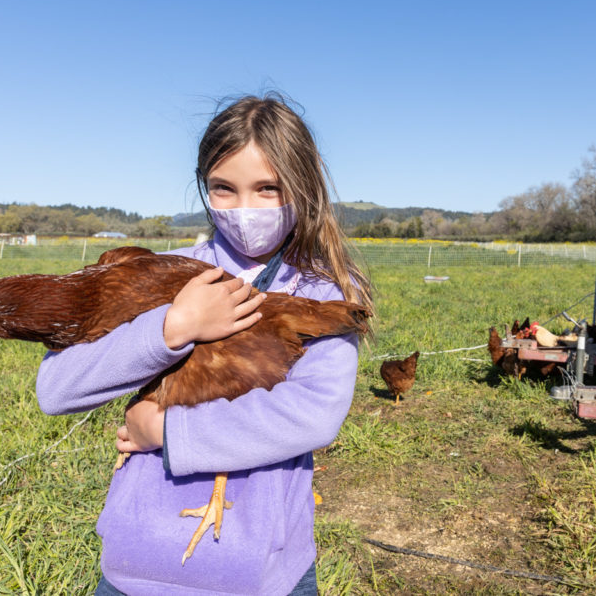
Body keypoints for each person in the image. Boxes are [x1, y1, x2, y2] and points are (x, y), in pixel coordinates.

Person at [35, 93, 373, 595]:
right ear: (203, 187)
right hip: (139, 560)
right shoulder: (155, 272)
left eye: (267, 189)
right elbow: (56, 389)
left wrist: (166, 432)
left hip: (260, 570)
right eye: (223, 188)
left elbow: (313, 413)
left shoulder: (321, 291)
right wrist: (172, 328)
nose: (245, 209)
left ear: (302, 189)